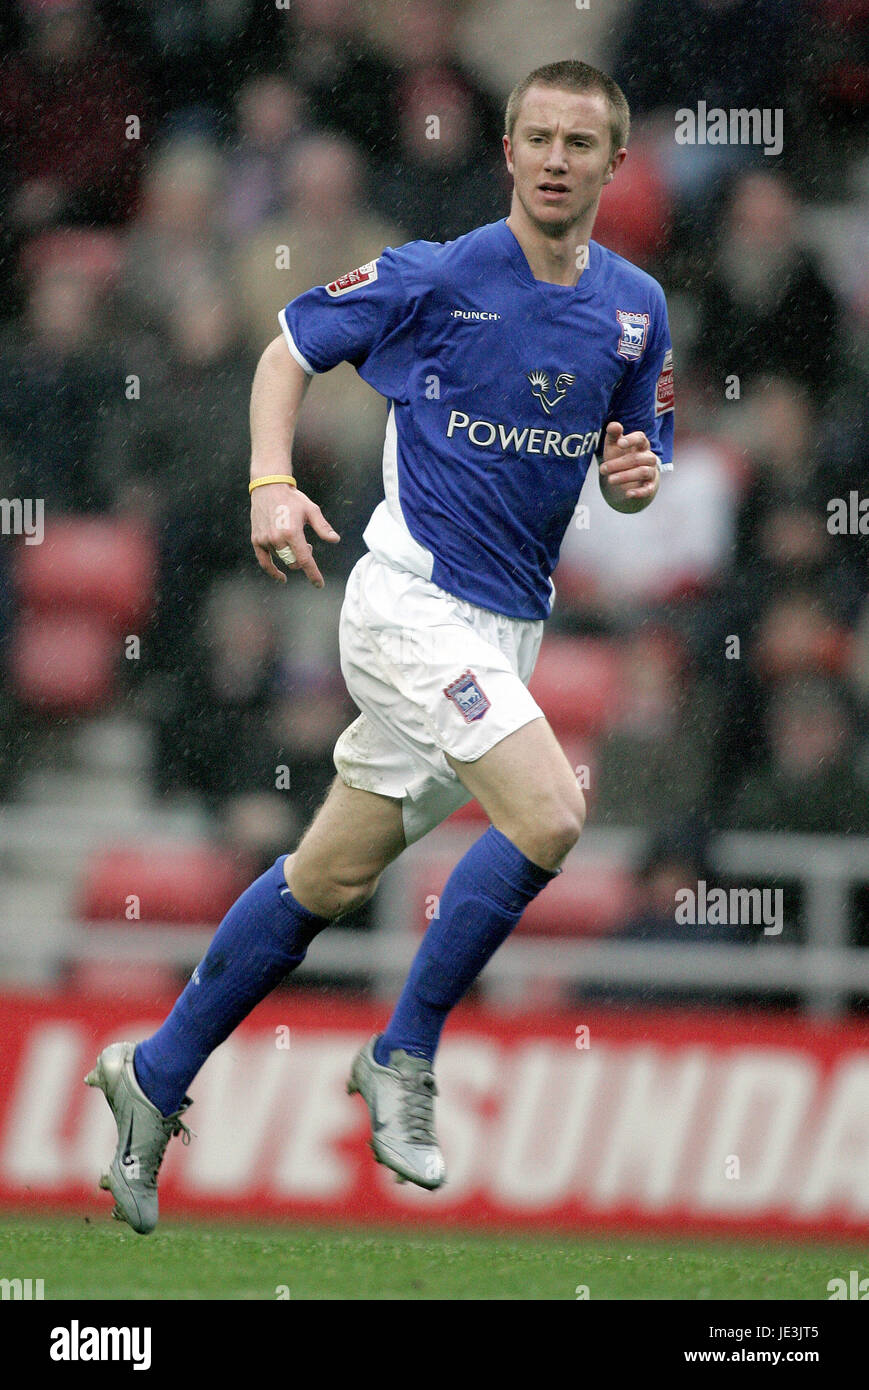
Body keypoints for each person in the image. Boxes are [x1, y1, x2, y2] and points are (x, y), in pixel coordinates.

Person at [86, 59, 674, 1233]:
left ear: (615, 163)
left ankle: (153, 1071)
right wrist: (269, 482)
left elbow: (634, 465)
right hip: (406, 605)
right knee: (551, 814)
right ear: (506, 150)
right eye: (537, 138)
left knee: (328, 877)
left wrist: (633, 479)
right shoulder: (435, 274)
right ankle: (402, 1052)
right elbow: (284, 351)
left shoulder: (635, 309)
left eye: (579, 143)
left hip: (504, 633)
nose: (555, 159)